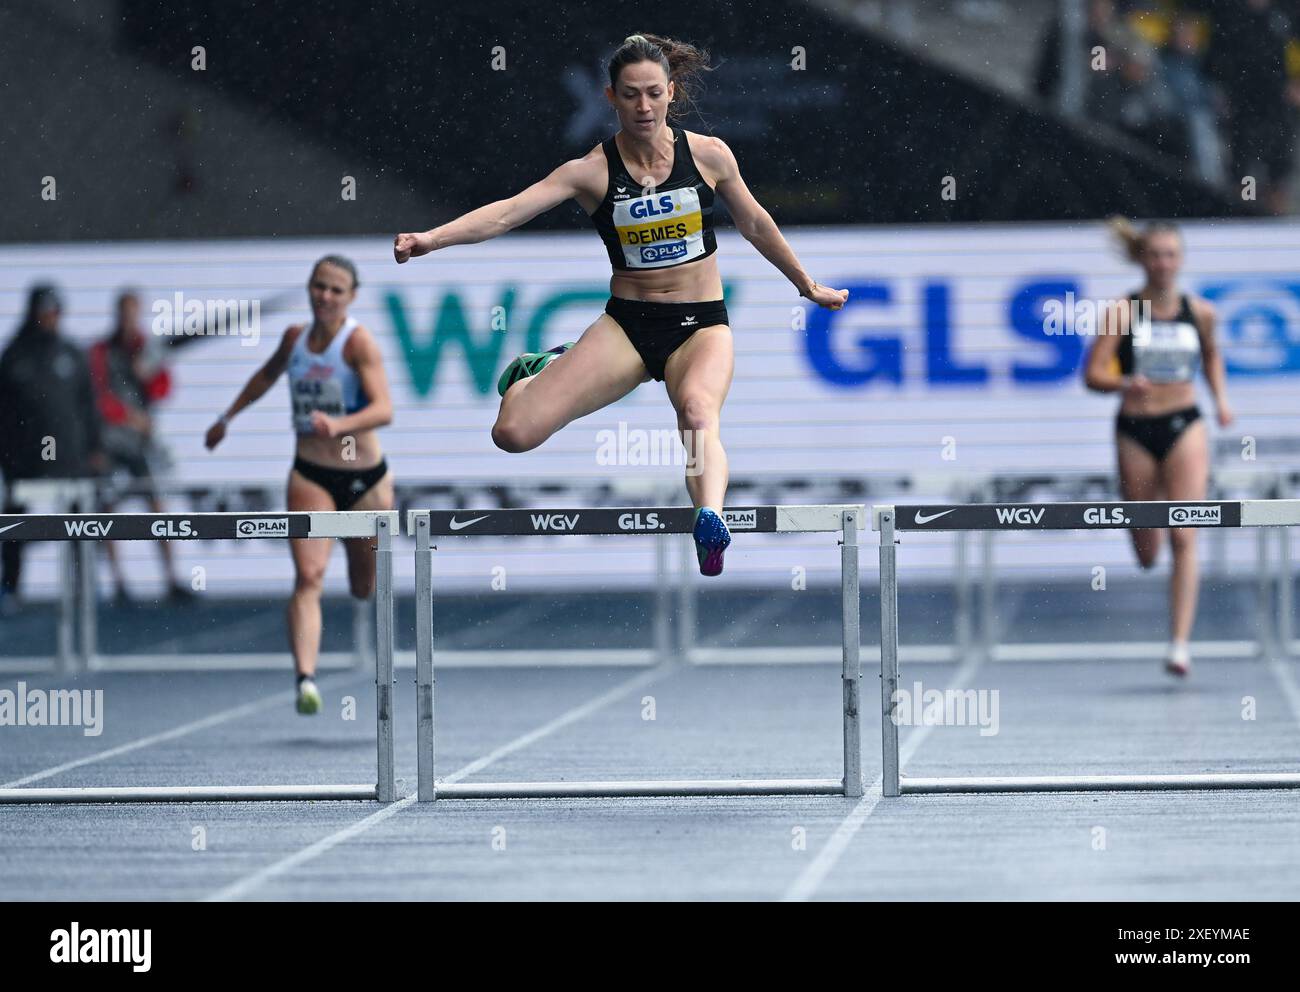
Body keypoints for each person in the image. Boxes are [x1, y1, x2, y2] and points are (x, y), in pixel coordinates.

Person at [393, 33, 847, 576]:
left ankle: (709, 519)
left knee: (698, 413)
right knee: (513, 434)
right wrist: (429, 239)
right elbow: (506, 213)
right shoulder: (590, 171)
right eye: (630, 95)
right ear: (610, 97)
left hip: (700, 325)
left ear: (672, 93)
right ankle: (538, 371)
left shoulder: (708, 155)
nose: (643, 106)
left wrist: (805, 283)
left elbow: (753, 221)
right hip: (628, 327)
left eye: (654, 93)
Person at [204, 256, 394, 714]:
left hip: (365, 478)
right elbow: (267, 376)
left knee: (364, 585)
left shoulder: (358, 343)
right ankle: (305, 679)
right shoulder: (294, 339)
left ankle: (363, 623)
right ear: (309, 289)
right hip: (310, 473)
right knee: (309, 576)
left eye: (336, 290)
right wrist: (226, 417)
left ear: (350, 297)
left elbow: (384, 409)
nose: (325, 297)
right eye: (319, 287)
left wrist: (340, 424)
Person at [1083, 218, 1233, 677]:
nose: (1164, 263)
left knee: (1185, 532)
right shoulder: (1123, 312)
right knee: (1148, 551)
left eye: (1171, 254)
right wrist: (1125, 381)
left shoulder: (1201, 311)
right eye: (1155, 255)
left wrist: (1221, 401)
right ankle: (1146, 541)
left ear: (1181, 259)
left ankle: (1180, 644)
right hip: (1136, 428)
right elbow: (1092, 375)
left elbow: (1210, 355)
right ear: (1142, 259)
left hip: (1185, 423)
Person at [0, 284, 105, 615]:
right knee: (15, 524)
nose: (50, 319)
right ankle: (11, 587)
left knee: (80, 522)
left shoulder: (72, 353)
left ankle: (85, 587)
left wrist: (96, 446)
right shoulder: (13, 356)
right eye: (44, 312)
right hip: (25, 461)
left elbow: (88, 405)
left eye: (55, 312)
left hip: (69, 458)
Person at [89, 288, 192, 604]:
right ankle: (117, 580)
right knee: (106, 507)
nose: (128, 320)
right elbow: (96, 397)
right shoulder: (101, 352)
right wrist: (130, 417)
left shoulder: (147, 348)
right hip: (110, 441)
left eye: (134, 313)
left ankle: (170, 577)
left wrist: (147, 374)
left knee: (156, 504)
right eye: (124, 313)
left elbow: (164, 388)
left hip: (139, 444)